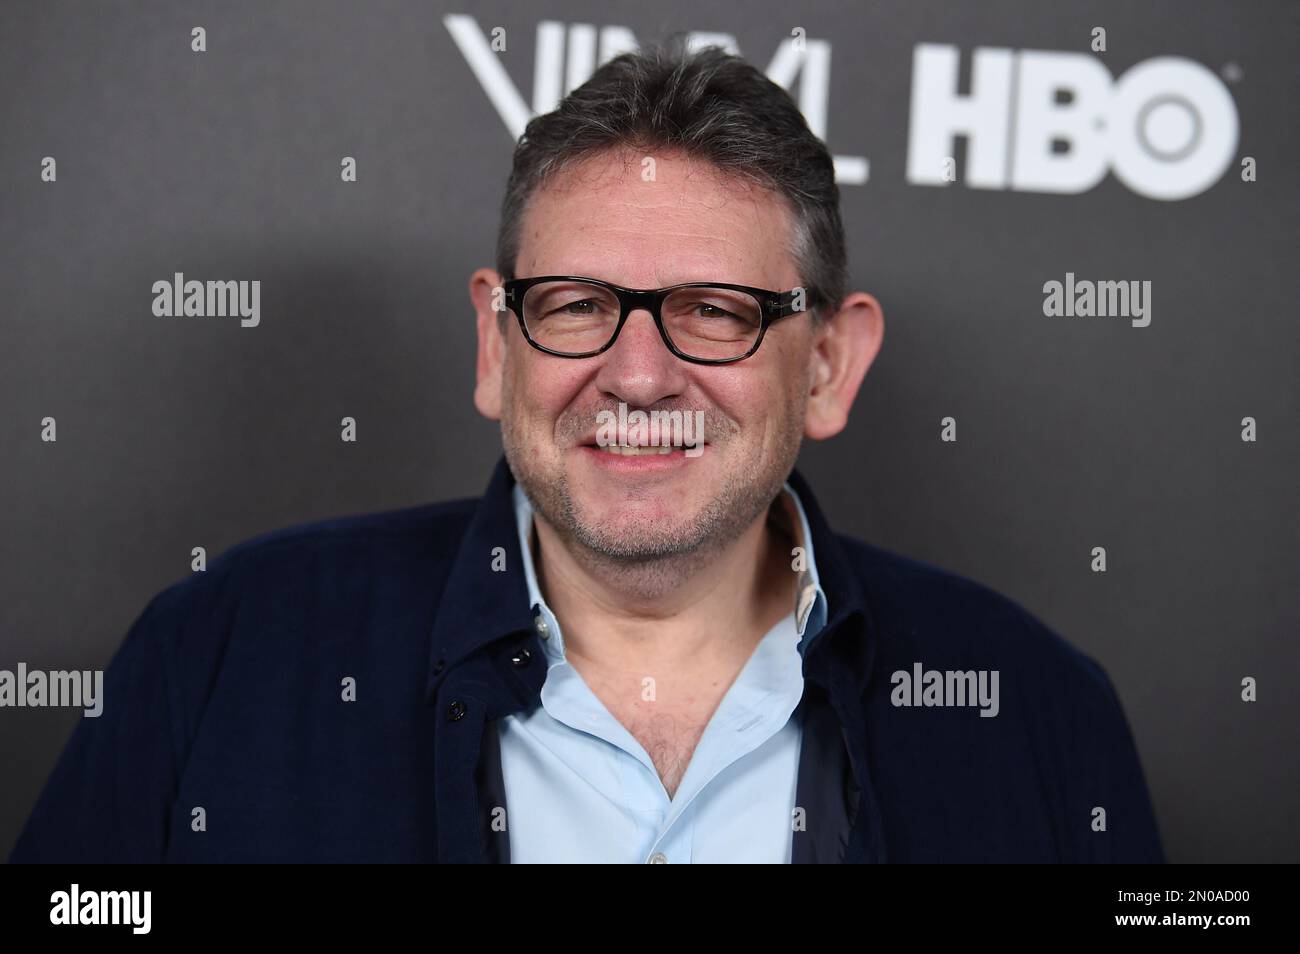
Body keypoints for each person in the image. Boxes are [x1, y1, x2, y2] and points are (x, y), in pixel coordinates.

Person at [10, 41, 1163, 863]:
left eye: (714, 309)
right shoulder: (215, 660)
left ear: (825, 366)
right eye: (573, 304)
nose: (639, 373)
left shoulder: (1035, 715)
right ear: (494, 344)